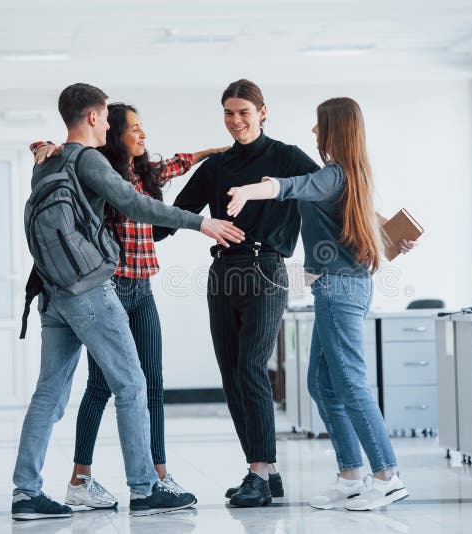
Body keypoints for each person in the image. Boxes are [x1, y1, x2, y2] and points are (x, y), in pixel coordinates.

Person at [11, 83, 245, 520]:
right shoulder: (88, 159)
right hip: (89, 289)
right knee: (132, 383)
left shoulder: (48, 161)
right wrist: (201, 224)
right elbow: (135, 204)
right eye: (106, 118)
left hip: (51, 290)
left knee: (49, 393)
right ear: (96, 118)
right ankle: (144, 488)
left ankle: (25, 492)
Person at [226, 96, 417, 511]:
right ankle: (351, 476)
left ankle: (387, 475)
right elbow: (367, 211)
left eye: (318, 125)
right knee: (322, 384)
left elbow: (285, 187)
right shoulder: (347, 175)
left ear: (334, 130)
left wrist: (246, 190)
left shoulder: (332, 175)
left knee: (349, 382)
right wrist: (391, 230)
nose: (313, 132)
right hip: (341, 287)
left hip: (339, 289)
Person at [154, 79, 320, 507]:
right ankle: (267, 469)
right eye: (228, 113)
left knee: (250, 366)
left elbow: (331, 195)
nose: (236, 121)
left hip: (266, 271)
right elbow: (169, 219)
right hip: (224, 273)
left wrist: (375, 235)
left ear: (263, 112)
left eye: (244, 112)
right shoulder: (216, 168)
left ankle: (258, 474)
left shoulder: (288, 158)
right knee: (232, 376)